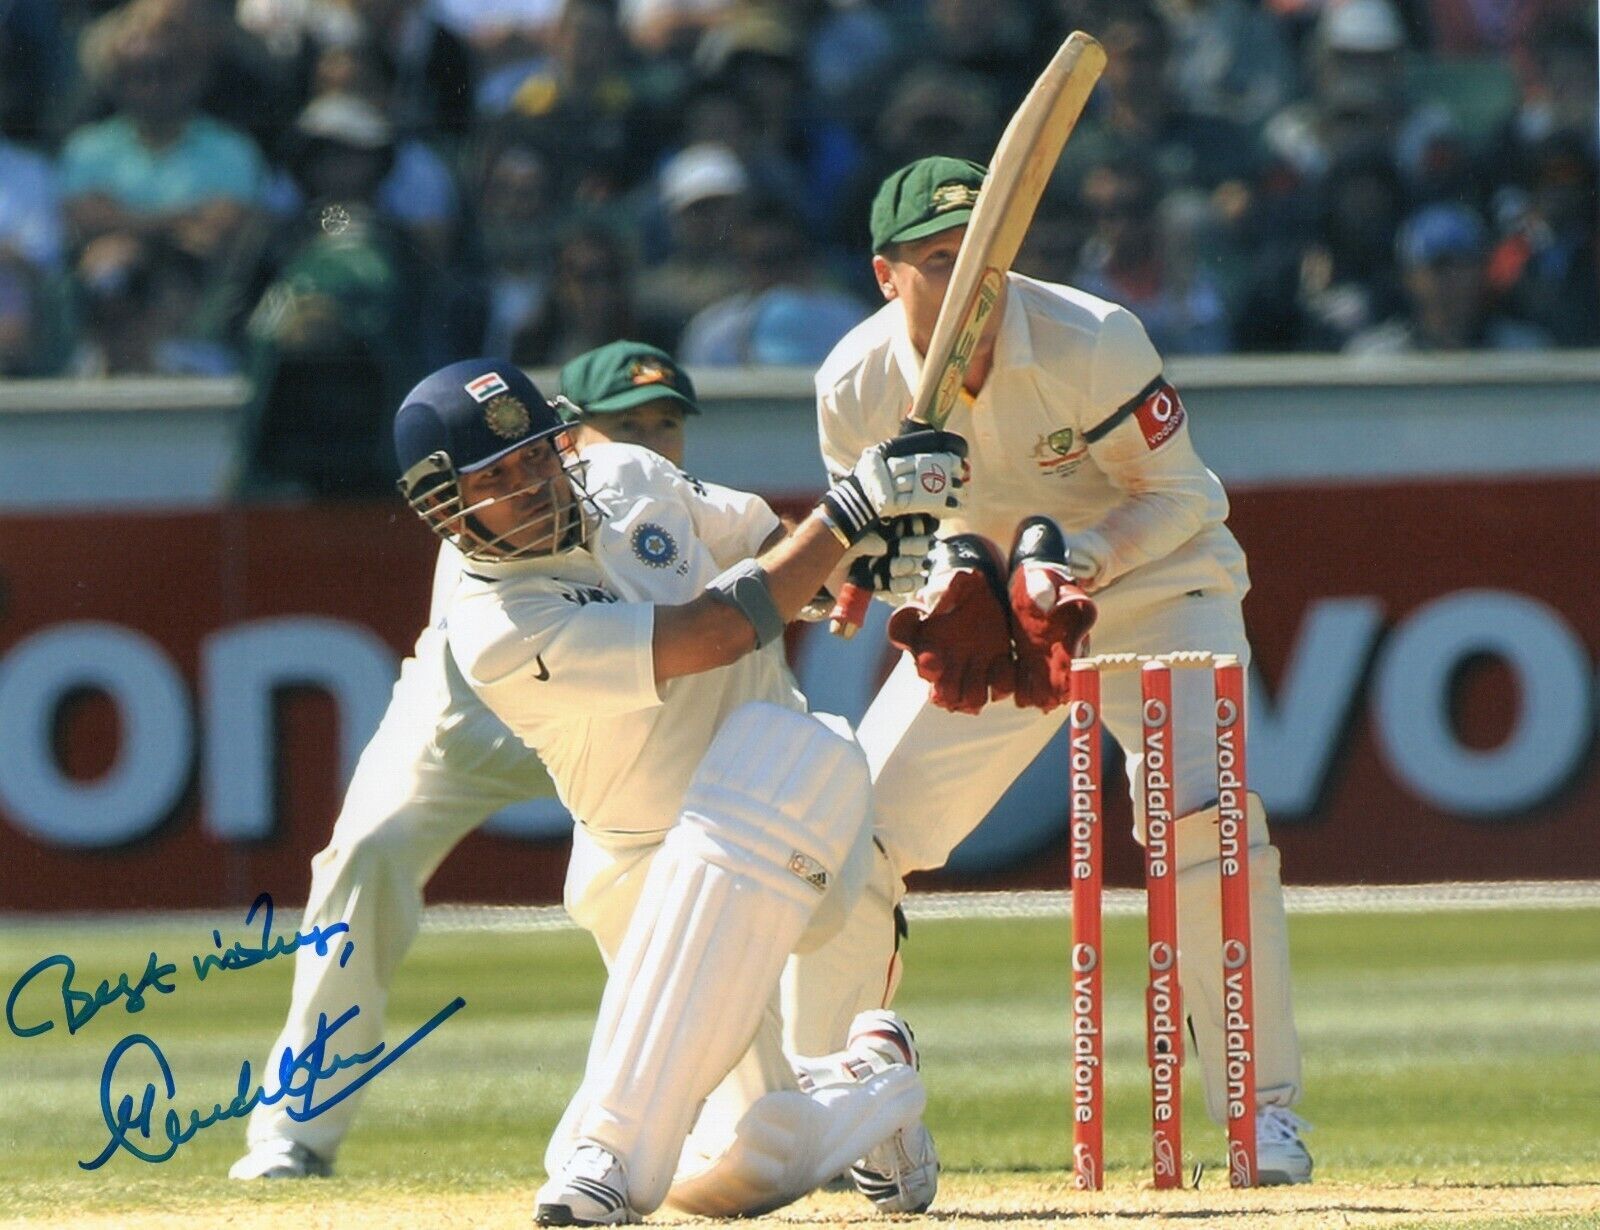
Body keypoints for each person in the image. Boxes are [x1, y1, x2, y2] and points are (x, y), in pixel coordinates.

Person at [229, 342, 961, 1221]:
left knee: (742, 794)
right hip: (601, 815)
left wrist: (858, 565)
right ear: (448, 508)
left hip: (782, 794)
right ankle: (869, 1078)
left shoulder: (625, 474)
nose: (534, 484)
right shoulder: (496, 622)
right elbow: (713, 635)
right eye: (500, 475)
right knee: (748, 1162)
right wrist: (852, 513)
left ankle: (603, 1155)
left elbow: (763, 547)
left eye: (539, 454)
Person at [791, 154, 1315, 1185]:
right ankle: (850, 1113)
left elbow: (1184, 497)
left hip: (1159, 584)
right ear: (885, 274)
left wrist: (1072, 562)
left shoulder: (1090, 336)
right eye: (941, 261)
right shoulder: (852, 384)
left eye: (986, 254)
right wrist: (935, 590)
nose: (971, 281)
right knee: (845, 834)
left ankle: (1260, 1118)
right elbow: (889, 547)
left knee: (1201, 828)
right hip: (995, 612)